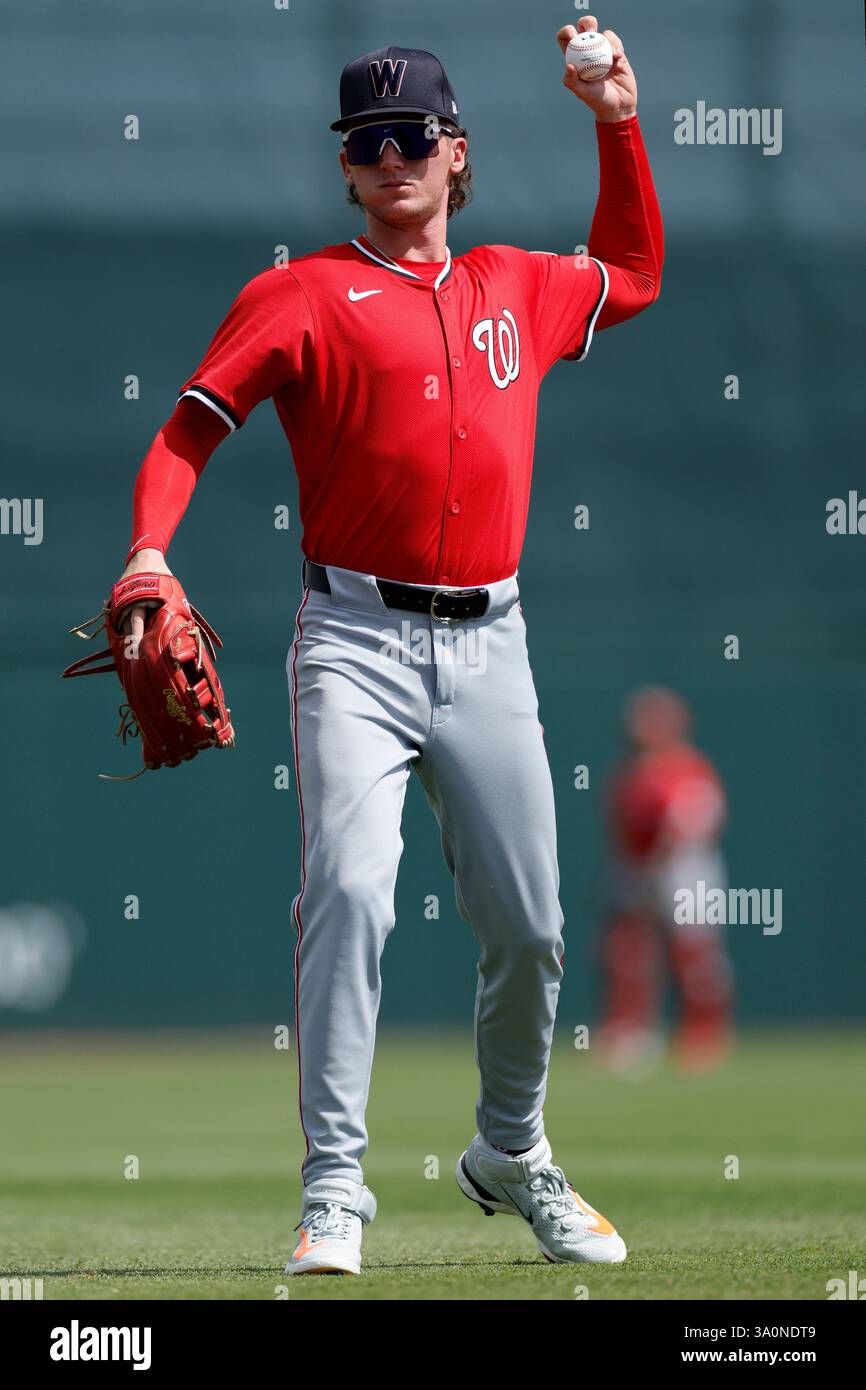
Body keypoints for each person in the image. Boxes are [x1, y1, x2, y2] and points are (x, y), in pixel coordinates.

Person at [117, 17, 663, 1274]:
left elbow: (630, 271)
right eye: (366, 142)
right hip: (352, 639)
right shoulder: (301, 293)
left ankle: (511, 1148)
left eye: (411, 134)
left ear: (454, 152)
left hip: (492, 639)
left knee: (529, 925)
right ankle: (332, 1190)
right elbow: (189, 430)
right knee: (353, 892)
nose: (390, 155)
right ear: (348, 167)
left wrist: (617, 121)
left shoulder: (517, 285)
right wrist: (149, 549)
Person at [596, 687, 734, 1076]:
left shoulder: (688, 767)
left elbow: (696, 823)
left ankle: (703, 1035)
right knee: (627, 949)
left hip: (683, 867)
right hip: (636, 867)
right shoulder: (627, 774)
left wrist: (663, 858)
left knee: (695, 956)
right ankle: (629, 1033)